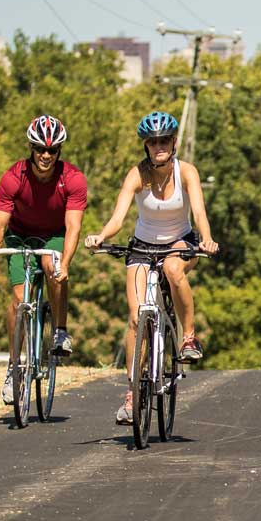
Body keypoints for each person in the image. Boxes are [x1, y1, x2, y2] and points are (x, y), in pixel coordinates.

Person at [85, 111, 219, 424]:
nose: (158, 146)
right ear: (146, 146)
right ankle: (132, 395)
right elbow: (118, 218)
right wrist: (100, 237)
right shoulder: (137, 174)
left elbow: (198, 212)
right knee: (135, 319)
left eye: (163, 140)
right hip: (142, 248)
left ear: (173, 143)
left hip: (179, 244)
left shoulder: (186, 172)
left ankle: (188, 337)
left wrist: (208, 239)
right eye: (152, 141)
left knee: (173, 271)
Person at [0, 115, 87, 405]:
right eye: (40, 149)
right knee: (18, 302)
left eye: (52, 151)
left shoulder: (73, 179)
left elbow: (74, 226)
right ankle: (14, 368)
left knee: (52, 269)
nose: (46, 155)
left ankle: (60, 332)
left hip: (54, 234)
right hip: (20, 236)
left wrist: (65, 263)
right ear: (31, 147)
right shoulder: (13, 177)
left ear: (59, 152)